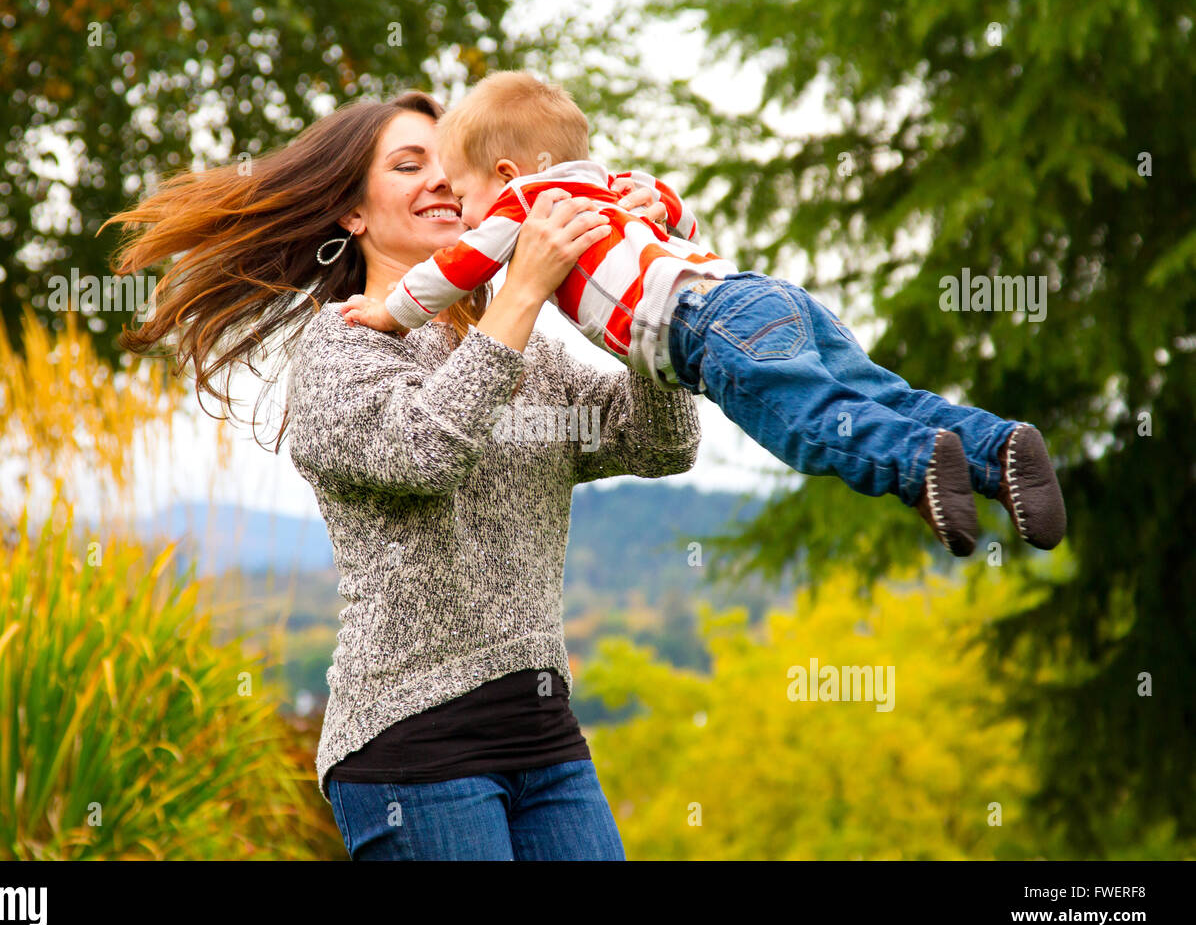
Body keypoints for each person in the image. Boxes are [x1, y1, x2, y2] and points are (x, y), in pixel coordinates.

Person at [102, 89, 699, 860]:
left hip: (546, 738)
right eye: (409, 165)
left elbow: (662, 445)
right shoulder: (340, 348)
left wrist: (649, 292)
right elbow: (425, 452)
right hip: (412, 751)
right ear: (353, 212)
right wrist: (519, 295)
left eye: (449, 164)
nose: (442, 182)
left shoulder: (525, 353)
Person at [341, 71, 1067, 557]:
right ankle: (997, 448)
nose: (460, 210)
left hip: (705, 328)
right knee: (877, 390)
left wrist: (390, 315)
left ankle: (913, 463)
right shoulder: (612, 183)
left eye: (459, 192)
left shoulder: (525, 203)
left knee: (805, 420)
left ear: (504, 177)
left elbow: (457, 269)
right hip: (757, 293)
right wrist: (662, 211)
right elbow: (673, 208)